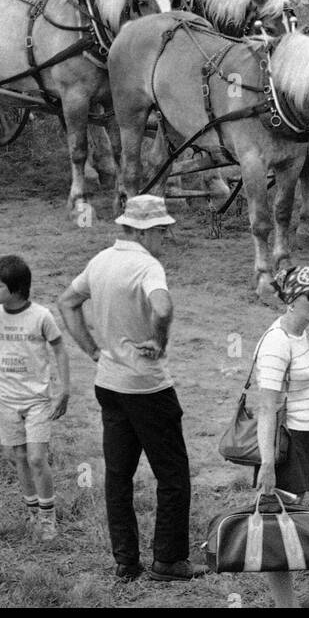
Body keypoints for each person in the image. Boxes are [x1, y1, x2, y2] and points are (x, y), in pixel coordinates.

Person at [59, 194, 203, 583]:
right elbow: (164, 307)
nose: (165, 239)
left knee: (119, 475)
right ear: (147, 232)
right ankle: (169, 560)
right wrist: (159, 341)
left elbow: (67, 302)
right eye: (162, 232)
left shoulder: (101, 260)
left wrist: (90, 348)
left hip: (109, 381)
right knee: (172, 475)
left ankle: (126, 560)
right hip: (148, 386)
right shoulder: (147, 266)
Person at [0, 255, 70, 540]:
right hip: (6, 400)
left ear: (16, 289)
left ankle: (48, 517)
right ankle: (32, 509)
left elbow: (59, 348)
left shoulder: (41, 316)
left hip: (37, 400)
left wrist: (64, 389)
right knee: (17, 456)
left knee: (36, 457)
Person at [255, 265, 309, 609]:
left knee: (287, 519)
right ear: (290, 299)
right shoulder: (277, 341)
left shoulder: (300, 333)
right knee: (277, 526)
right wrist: (267, 463)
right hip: (284, 442)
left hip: (302, 436)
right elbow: (266, 407)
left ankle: (287, 603)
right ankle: (285, 605)